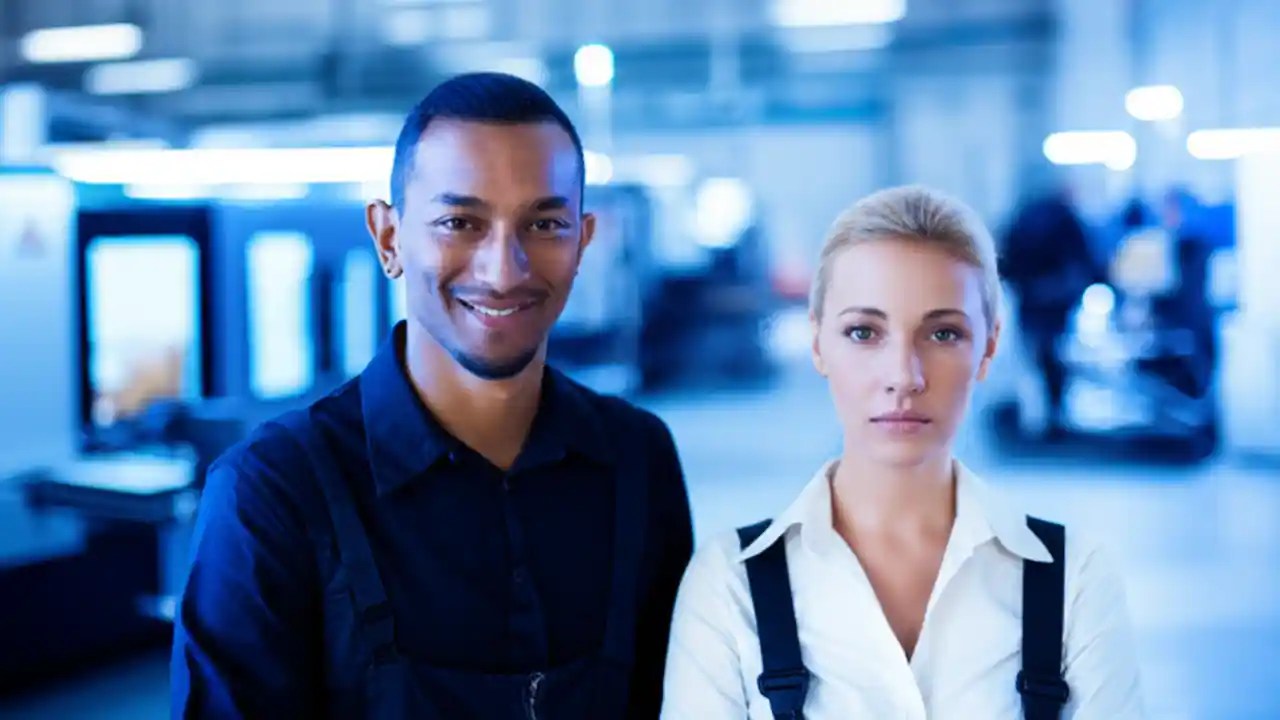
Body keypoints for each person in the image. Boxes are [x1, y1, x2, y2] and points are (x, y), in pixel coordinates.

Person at [171, 72, 694, 719]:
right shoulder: (272, 492)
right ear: (389, 238)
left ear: (582, 241)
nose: (503, 270)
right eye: (459, 222)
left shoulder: (637, 457)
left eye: (544, 223)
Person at [661, 187, 1143, 719]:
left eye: (943, 333)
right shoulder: (729, 588)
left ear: (988, 346)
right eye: (864, 332)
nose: (904, 376)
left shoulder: (1075, 582)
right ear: (818, 344)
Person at [998, 187, 1101, 438]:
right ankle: (1055, 410)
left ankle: (1042, 412)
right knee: (1053, 353)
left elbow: (1007, 258)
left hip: (1031, 297)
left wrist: (1020, 283)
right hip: (1057, 298)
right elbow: (1083, 256)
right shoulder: (1066, 220)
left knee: (1038, 352)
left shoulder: (1024, 220)